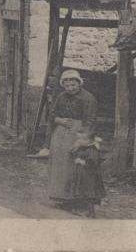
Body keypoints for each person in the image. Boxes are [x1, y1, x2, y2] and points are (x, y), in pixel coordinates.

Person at [48, 68, 98, 214]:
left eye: (73, 85)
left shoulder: (88, 98)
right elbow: (52, 114)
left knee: (75, 167)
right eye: (67, 85)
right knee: (60, 166)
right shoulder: (61, 97)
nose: (70, 88)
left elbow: (90, 122)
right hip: (60, 135)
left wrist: (81, 141)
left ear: (79, 83)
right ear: (63, 85)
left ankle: (75, 201)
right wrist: (60, 120)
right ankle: (62, 197)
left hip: (78, 134)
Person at [71, 130, 106, 217]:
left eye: (83, 139)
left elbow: (93, 162)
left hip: (90, 176)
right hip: (83, 175)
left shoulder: (92, 149)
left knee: (90, 193)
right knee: (83, 192)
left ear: (90, 140)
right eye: (79, 138)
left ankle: (91, 212)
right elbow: (74, 153)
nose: (80, 140)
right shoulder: (84, 148)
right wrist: (75, 148)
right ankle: (83, 209)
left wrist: (81, 161)